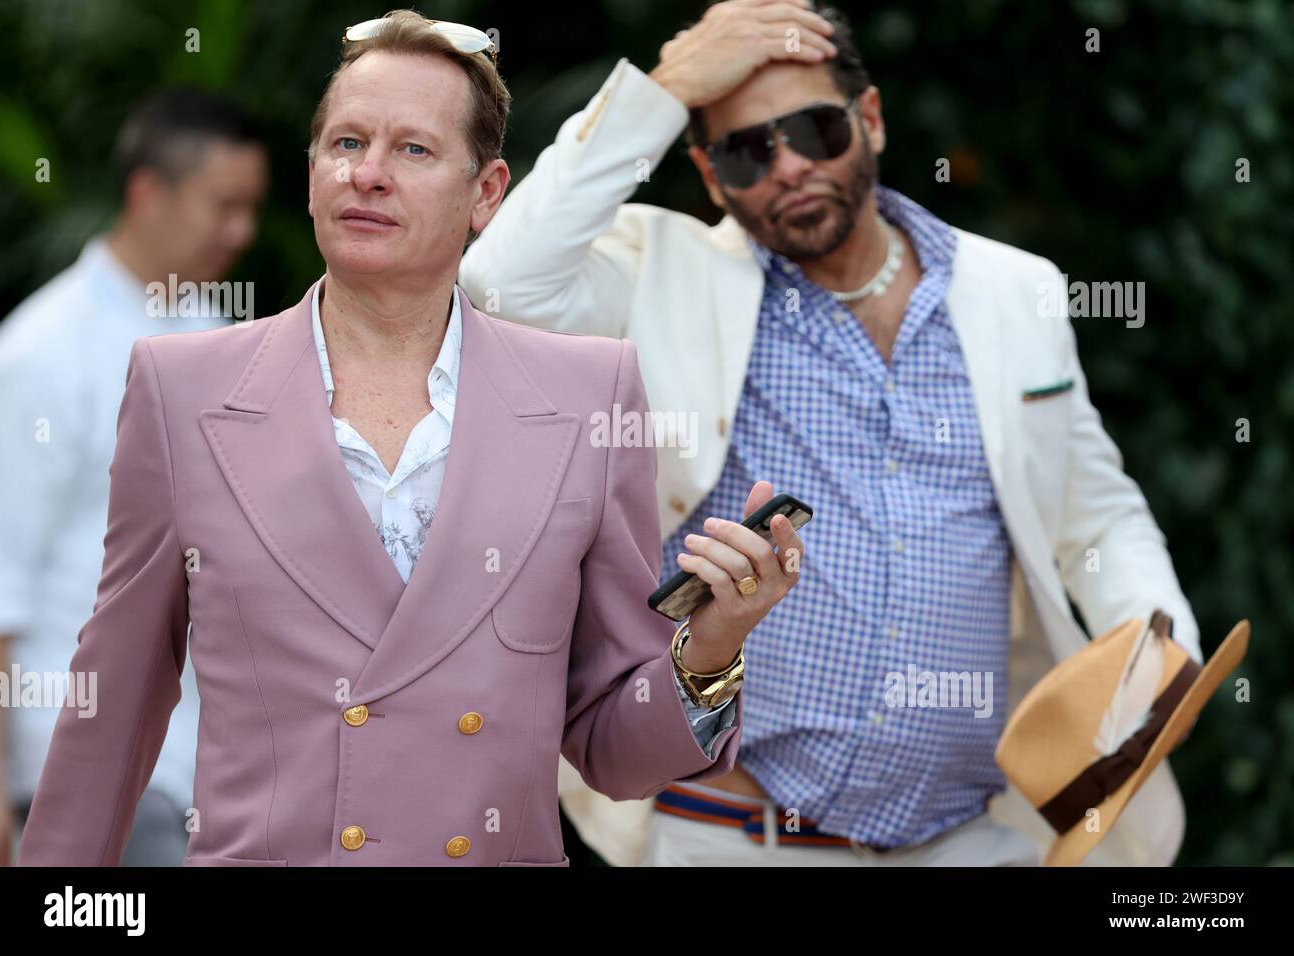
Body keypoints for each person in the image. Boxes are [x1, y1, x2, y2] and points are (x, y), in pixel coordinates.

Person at [16, 9, 806, 867]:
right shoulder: (184, 391)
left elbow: (616, 752)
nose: (370, 175)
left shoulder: (590, 396)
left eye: (414, 150)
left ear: (487, 193)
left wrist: (714, 644)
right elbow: (118, 700)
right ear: (314, 172)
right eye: (346, 144)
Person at [458, 0, 1200, 866]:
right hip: (733, 839)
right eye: (745, 149)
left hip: (975, 838)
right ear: (706, 172)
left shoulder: (1013, 290)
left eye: (816, 128)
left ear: (872, 121)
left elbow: (1097, 512)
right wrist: (663, 90)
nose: (790, 168)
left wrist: (1161, 660)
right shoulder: (666, 278)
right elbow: (499, 281)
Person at [0, 88, 267, 866]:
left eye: (252, 207)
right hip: (78, 759)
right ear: (149, 194)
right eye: (225, 206)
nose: (241, 232)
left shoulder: (218, 334)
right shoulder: (39, 357)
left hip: (203, 760)